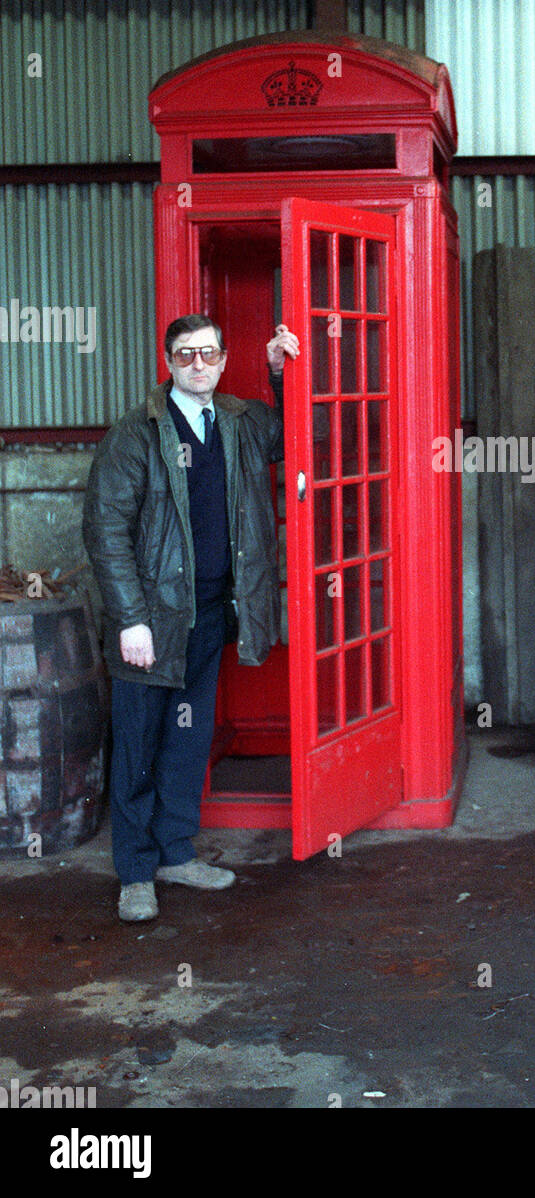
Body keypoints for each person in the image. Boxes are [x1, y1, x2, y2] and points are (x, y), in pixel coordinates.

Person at [82, 315, 299, 923]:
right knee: (136, 747)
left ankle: (176, 852)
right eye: (185, 355)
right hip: (151, 620)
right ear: (169, 362)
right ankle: (134, 872)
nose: (198, 364)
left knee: (187, 738)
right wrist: (131, 620)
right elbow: (105, 530)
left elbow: (300, 438)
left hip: (209, 613)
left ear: (225, 359)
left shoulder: (237, 420)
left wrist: (280, 374)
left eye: (208, 353)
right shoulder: (136, 434)